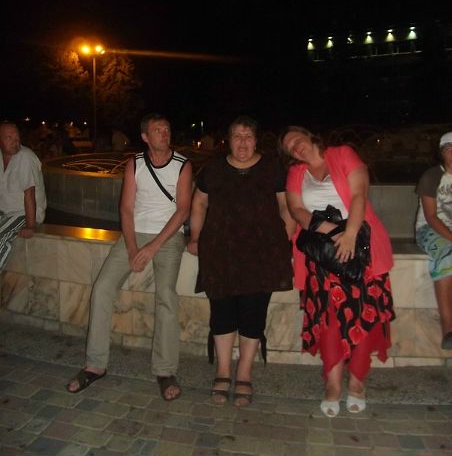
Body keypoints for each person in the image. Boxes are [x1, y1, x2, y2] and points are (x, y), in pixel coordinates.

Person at [66, 113, 193, 400]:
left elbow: (183, 210)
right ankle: (95, 364)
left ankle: (165, 370)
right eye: (158, 130)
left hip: (168, 237)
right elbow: (126, 208)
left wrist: (152, 247)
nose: (164, 133)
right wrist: (133, 247)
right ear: (145, 137)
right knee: (102, 288)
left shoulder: (182, 165)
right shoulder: (134, 163)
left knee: (167, 295)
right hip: (134, 235)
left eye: (167, 129)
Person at [279, 126, 395, 417]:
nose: (295, 147)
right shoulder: (296, 172)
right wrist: (332, 232)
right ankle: (332, 383)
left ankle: (357, 381)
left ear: (309, 136)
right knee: (329, 320)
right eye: (289, 148)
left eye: (296, 140)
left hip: (361, 247)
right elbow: (296, 209)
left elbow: (359, 195)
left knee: (364, 316)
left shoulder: (342, 154)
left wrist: (350, 234)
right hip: (322, 255)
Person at [188, 115, 294, 407]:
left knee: (253, 314)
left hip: (262, 256)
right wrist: (195, 236)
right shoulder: (214, 169)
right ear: (229, 140)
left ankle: (244, 371)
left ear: (256, 140)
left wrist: (284, 241)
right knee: (221, 312)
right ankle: (223, 370)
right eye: (237, 136)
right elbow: (199, 202)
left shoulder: (273, 168)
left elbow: (286, 206)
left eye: (248, 136)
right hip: (220, 253)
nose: (243, 142)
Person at [415, 131, 452, 350]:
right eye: (448, 149)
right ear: (441, 153)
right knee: (448, 254)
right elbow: (431, 217)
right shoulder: (432, 176)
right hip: (429, 229)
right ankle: (448, 330)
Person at [0, 122, 47, 270]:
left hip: (23, 213)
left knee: (2, 238)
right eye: (9, 137)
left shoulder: (25, 157)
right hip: (5, 212)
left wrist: (30, 225)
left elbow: (30, 193)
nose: (15, 141)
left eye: (17, 137)